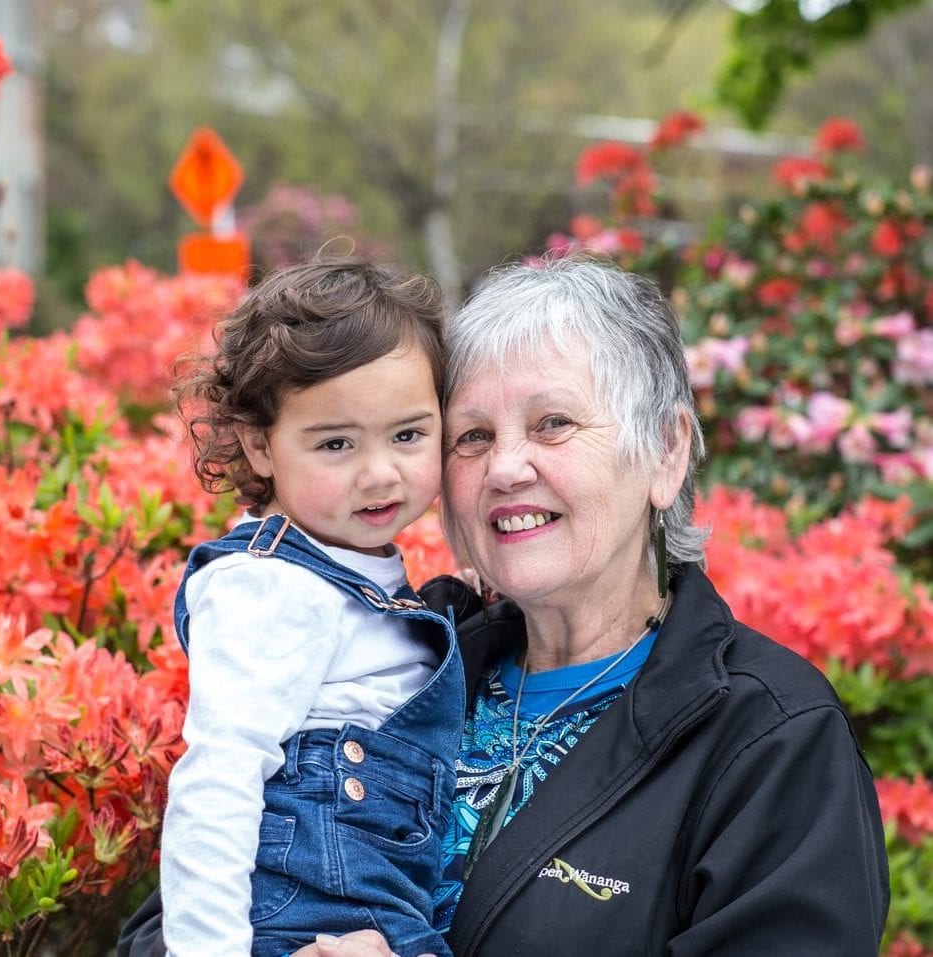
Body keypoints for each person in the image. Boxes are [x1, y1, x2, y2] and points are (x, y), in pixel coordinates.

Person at [120, 255, 889, 957]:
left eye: (553, 423)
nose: (506, 467)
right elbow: (170, 915)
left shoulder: (769, 739)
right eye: (473, 435)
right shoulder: (413, 658)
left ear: (666, 450)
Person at [157, 257, 463, 957]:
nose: (380, 471)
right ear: (259, 445)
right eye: (335, 443)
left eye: (408, 434)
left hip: (369, 912)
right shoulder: (271, 588)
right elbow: (218, 779)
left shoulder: (352, 571)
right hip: (302, 923)